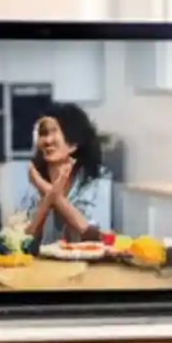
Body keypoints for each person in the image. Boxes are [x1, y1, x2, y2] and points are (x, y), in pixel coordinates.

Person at [20, 103, 106, 249]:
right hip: (44, 265)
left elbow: (91, 233)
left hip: (86, 264)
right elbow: (25, 240)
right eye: (43, 133)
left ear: (74, 143)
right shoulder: (35, 178)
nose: (47, 140)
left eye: (54, 132)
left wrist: (49, 191)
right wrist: (48, 198)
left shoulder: (95, 177)